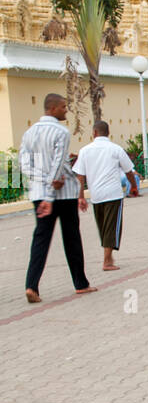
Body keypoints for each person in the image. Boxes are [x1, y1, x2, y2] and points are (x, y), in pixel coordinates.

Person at [18, 93, 96, 303]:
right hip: (62, 194)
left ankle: (31, 285)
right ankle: (80, 284)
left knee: (41, 239)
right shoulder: (60, 131)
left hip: (39, 194)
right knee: (71, 237)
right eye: (63, 107)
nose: (66, 110)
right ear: (52, 109)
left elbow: (25, 166)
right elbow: (58, 164)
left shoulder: (29, 133)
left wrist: (42, 188)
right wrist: (50, 194)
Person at [72, 119, 139, 271]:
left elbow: (80, 176)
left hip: (96, 195)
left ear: (94, 133)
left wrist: (80, 197)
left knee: (103, 227)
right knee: (112, 226)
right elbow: (129, 171)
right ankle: (107, 261)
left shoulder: (84, 150)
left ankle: (108, 256)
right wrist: (133, 187)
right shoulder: (115, 149)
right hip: (113, 193)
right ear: (108, 133)